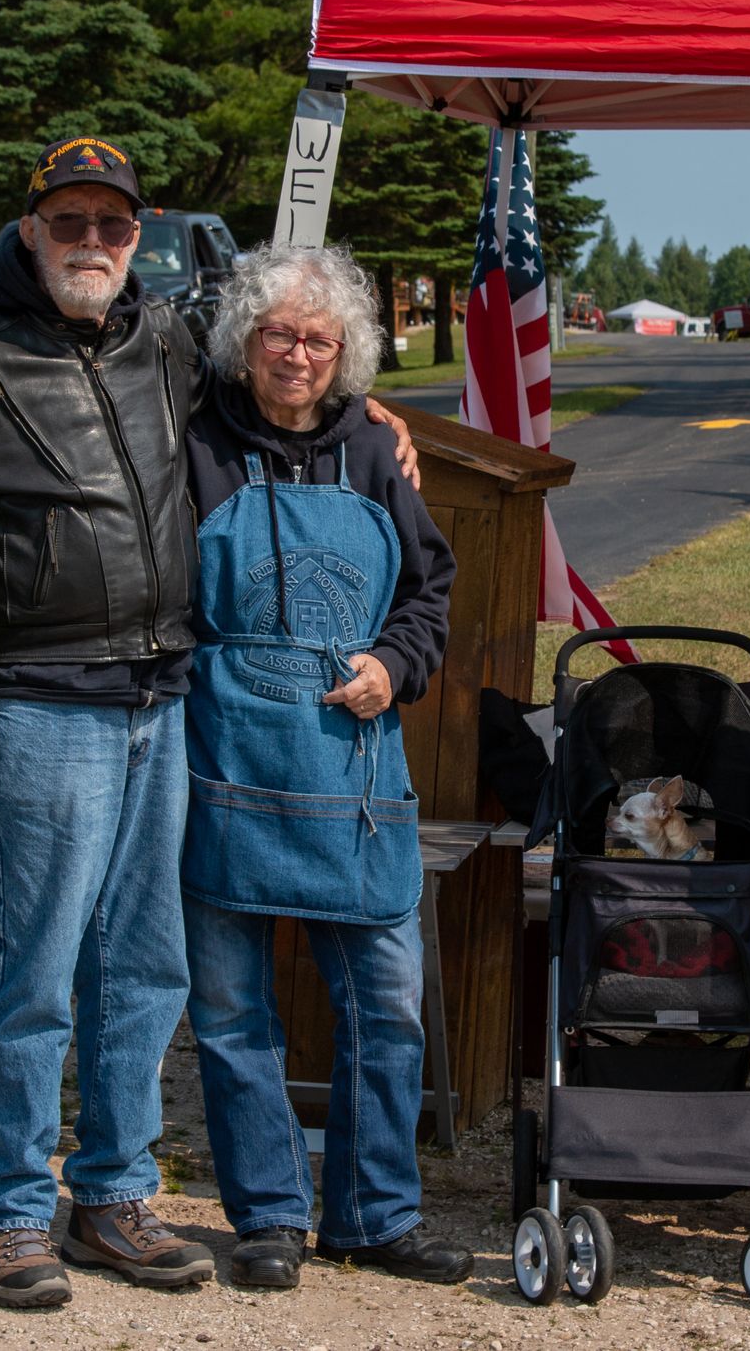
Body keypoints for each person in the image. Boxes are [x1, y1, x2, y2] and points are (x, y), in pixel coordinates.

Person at [0, 142, 421, 1304]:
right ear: (30, 230)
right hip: (46, 699)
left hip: (159, 706)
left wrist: (375, 407)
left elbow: (304, 377)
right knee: (35, 971)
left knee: (145, 972)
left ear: (138, 238)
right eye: (70, 222)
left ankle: (111, 1194)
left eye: (113, 226)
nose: (93, 243)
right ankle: (9, 1211)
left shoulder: (161, 344)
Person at [178, 242, 468, 1291]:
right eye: (277, 334)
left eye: (318, 339)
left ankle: (374, 1214)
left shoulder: (380, 454)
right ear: (242, 340)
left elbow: (429, 592)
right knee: (231, 1013)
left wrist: (395, 666)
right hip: (228, 774)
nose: (296, 355)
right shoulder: (195, 439)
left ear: (347, 354)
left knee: (387, 1005)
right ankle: (266, 1215)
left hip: (355, 780)